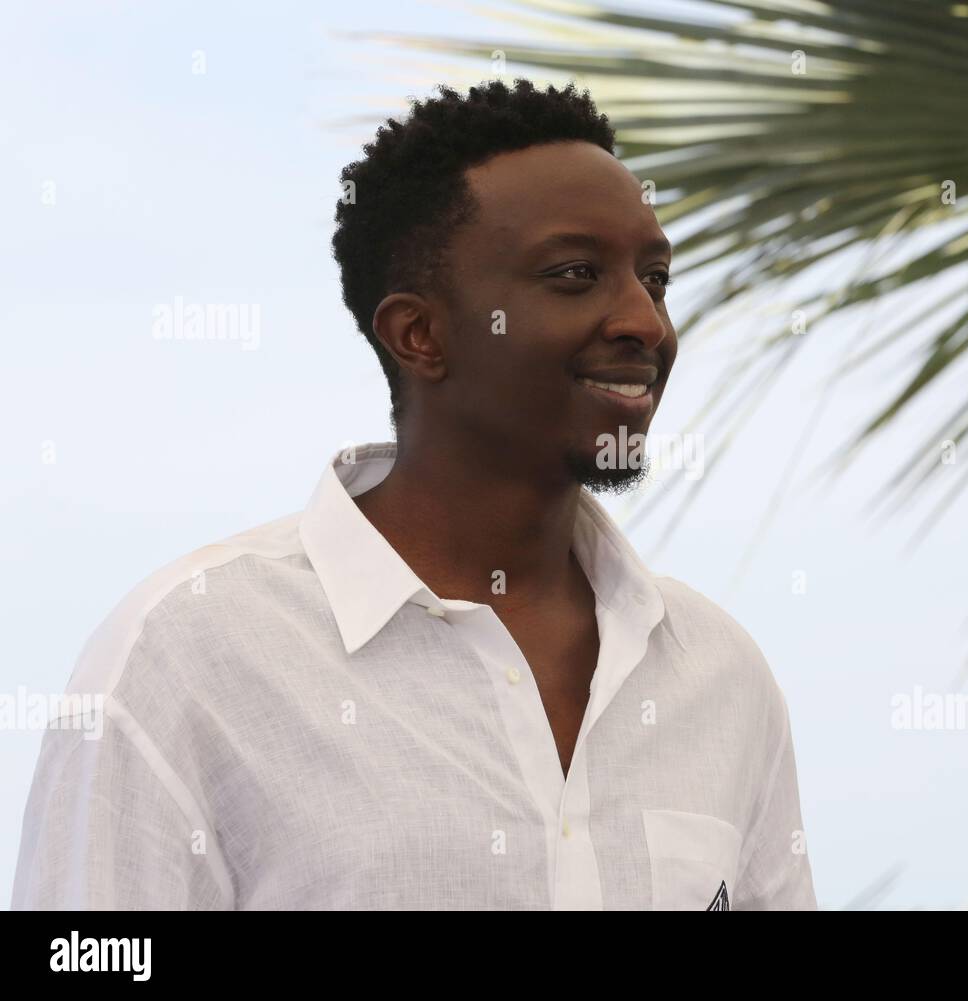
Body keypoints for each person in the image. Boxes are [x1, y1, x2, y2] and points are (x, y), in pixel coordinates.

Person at [11, 79, 817, 910]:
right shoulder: (194, 652)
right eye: (577, 275)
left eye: (654, 278)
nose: (645, 322)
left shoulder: (720, 676)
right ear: (419, 334)